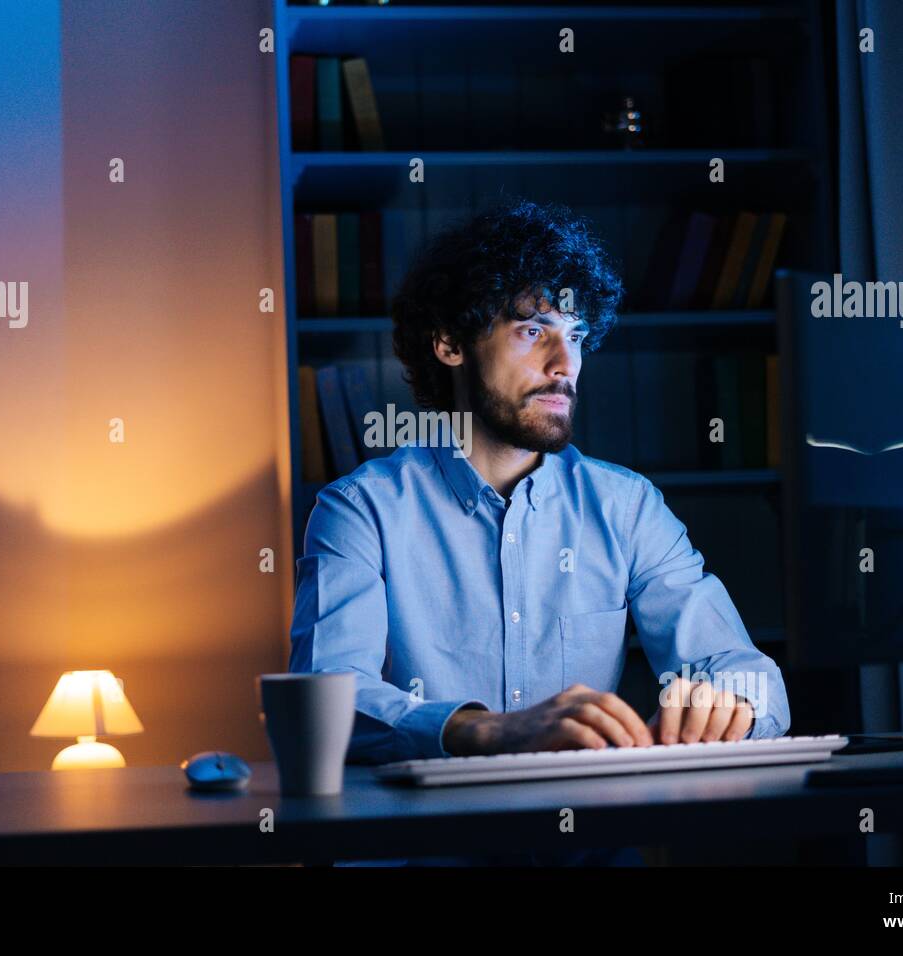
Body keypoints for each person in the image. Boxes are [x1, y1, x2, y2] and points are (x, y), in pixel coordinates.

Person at [289, 199, 790, 865]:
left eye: (577, 336)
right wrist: (487, 732)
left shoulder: (627, 506)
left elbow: (752, 675)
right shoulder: (360, 510)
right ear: (450, 343)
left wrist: (731, 702)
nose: (564, 365)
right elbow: (327, 697)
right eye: (533, 331)